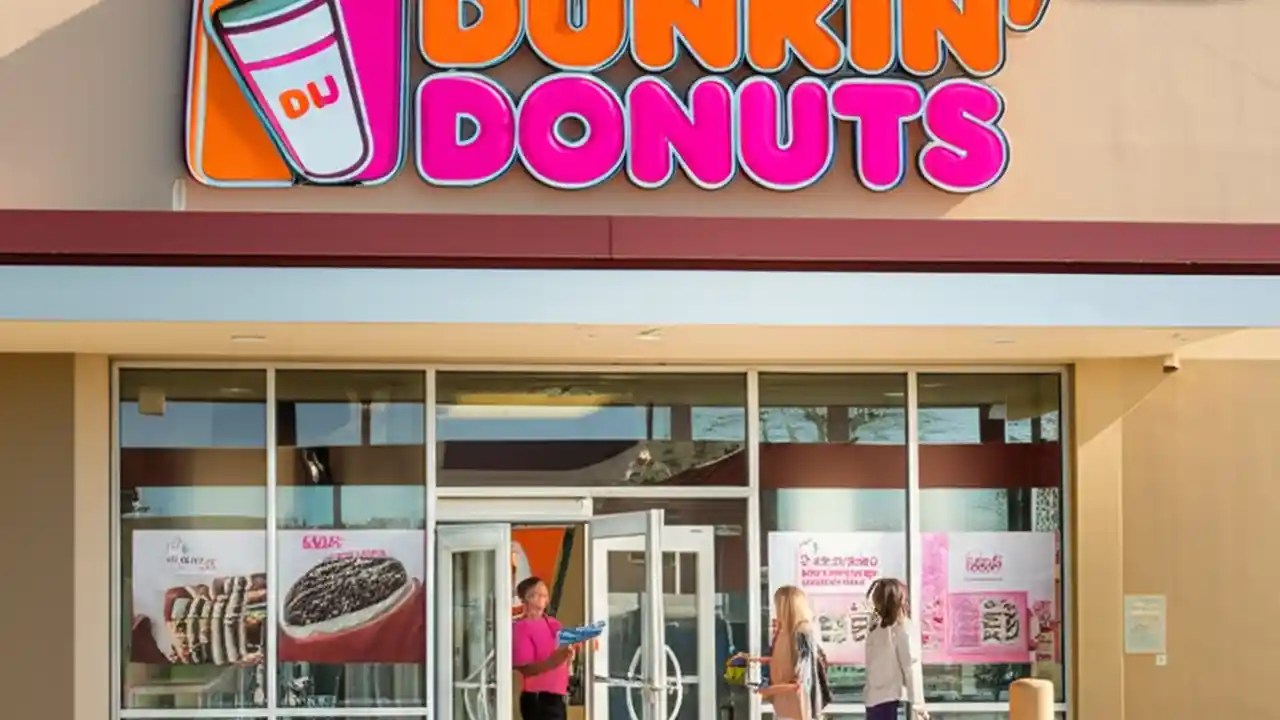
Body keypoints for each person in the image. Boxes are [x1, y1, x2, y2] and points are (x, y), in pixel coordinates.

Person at [756, 585, 826, 720]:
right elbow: (786, 662)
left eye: (778, 604)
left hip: (796, 709)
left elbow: (801, 680)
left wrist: (768, 690)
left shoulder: (802, 633)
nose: (775, 609)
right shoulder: (785, 633)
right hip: (784, 707)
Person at [864, 579, 927, 720]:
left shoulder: (875, 630)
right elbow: (911, 666)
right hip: (895, 700)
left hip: (874, 702)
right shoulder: (903, 628)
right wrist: (919, 706)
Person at [512, 576, 574, 720]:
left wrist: (568, 656)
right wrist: (553, 661)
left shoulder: (553, 624)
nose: (541, 598)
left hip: (558, 696)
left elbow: (565, 651)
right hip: (538, 698)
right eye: (535, 594)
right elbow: (524, 668)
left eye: (544, 595)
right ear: (524, 599)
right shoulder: (521, 627)